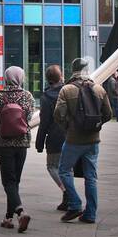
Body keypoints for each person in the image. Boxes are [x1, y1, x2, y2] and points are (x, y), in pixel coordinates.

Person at [54, 58, 113, 225]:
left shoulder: (67, 90)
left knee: (64, 171)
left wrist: (68, 127)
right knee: (91, 177)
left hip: (74, 139)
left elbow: (58, 114)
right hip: (93, 140)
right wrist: (96, 125)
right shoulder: (99, 89)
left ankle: (75, 203)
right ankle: (91, 214)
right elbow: (108, 114)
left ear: (72, 70)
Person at [0, 65, 35, 231]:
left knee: (8, 181)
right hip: (22, 143)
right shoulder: (27, 96)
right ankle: (8, 218)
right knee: (15, 181)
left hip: (4, 143)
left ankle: (20, 213)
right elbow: (29, 117)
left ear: (6, 77)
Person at [35, 64, 69, 212]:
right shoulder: (69, 91)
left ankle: (67, 192)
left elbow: (44, 122)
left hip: (55, 137)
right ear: (60, 76)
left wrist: (39, 143)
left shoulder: (46, 97)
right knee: (66, 168)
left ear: (48, 79)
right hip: (70, 135)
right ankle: (67, 196)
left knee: (52, 166)